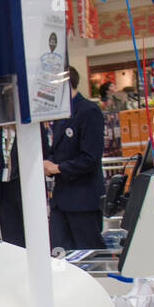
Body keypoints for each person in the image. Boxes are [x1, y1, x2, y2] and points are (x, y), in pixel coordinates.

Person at [44, 65, 106, 251]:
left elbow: (91, 156)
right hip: (62, 198)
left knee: (89, 253)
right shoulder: (59, 114)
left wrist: (58, 168)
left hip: (83, 199)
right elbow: (58, 148)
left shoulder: (88, 111)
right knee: (59, 252)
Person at [0, 126, 24, 247]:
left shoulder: (26, 126)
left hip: (25, 188)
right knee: (11, 240)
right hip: (4, 190)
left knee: (31, 235)